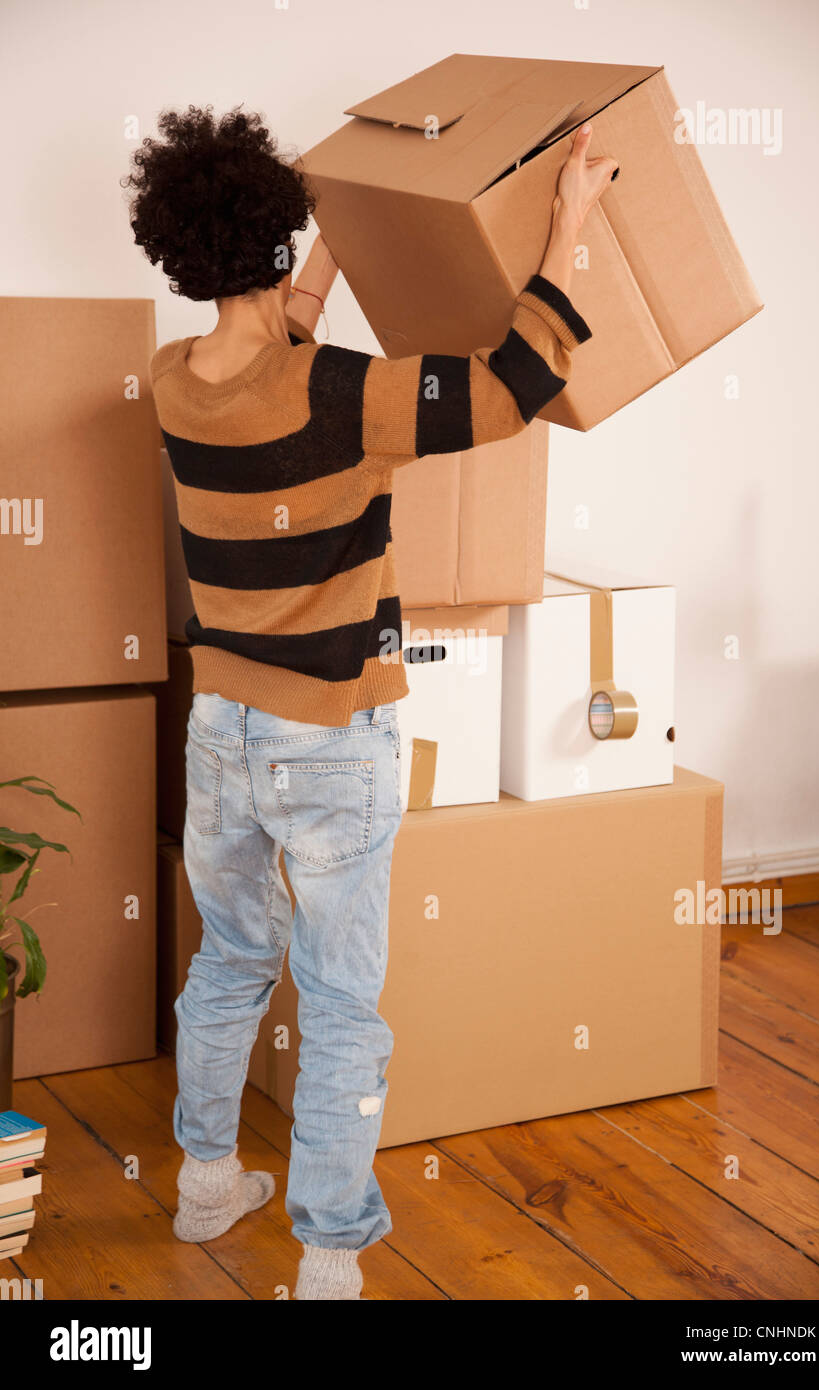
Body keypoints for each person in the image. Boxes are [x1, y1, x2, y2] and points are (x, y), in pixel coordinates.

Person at [125, 103, 617, 1301]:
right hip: (330, 734)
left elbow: (272, 336)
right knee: (341, 997)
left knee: (233, 955)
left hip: (219, 731)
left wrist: (328, 235)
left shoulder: (173, 381)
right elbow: (510, 390)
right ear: (275, 238)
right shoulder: (346, 396)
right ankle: (331, 1253)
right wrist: (568, 225)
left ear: (180, 251)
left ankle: (202, 1186)